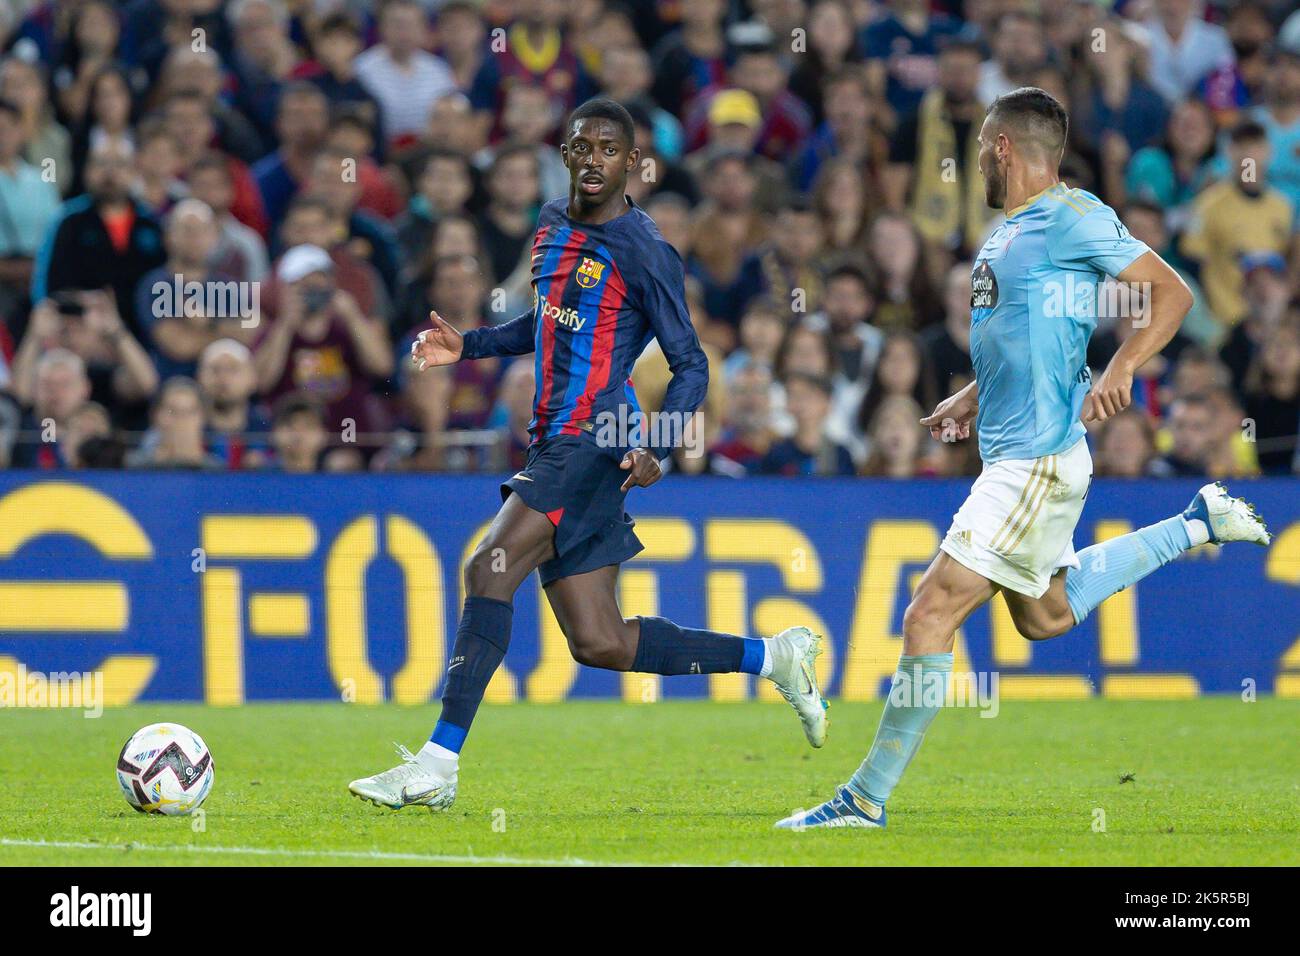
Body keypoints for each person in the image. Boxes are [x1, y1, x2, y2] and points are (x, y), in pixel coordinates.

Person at [778, 87, 1271, 831]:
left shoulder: (1074, 216)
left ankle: (865, 798)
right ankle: (1196, 524)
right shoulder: (1009, 232)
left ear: (1003, 146)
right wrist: (970, 396)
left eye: (981, 145)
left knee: (928, 611)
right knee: (1044, 616)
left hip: (1035, 461)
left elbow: (1170, 293)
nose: (976, 158)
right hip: (1019, 457)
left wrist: (1122, 367)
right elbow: (1029, 333)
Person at [348, 97, 828, 813]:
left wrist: (662, 439)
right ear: (566, 155)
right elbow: (543, 326)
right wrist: (468, 344)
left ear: (633, 163)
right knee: (600, 642)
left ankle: (438, 764)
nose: (595, 159)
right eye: (582, 147)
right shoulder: (549, 227)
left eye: (610, 149)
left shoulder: (644, 248)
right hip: (555, 440)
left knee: (489, 566)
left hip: (594, 442)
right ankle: (774, 657)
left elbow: (691, 362)